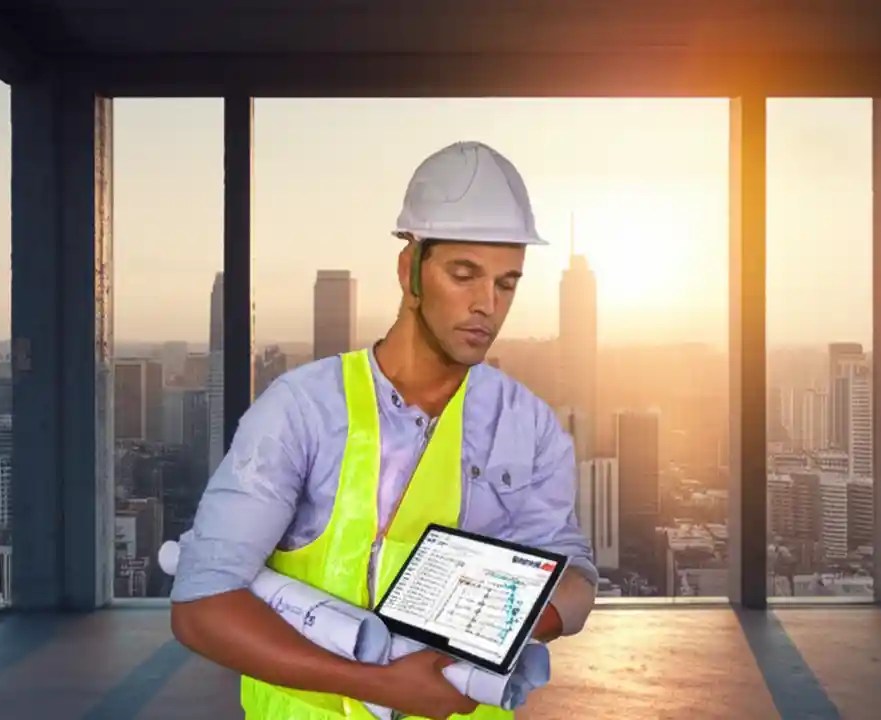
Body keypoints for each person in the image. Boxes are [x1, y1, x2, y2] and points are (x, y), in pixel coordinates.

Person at [169, 140, 598, 720]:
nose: (486, 305)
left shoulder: (529, 426)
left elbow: (572, 574)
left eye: (506, 283)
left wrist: (504, 630)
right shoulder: (302, 409)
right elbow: (201, 606)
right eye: (464, 274)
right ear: (410, 269)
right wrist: (383, 685)